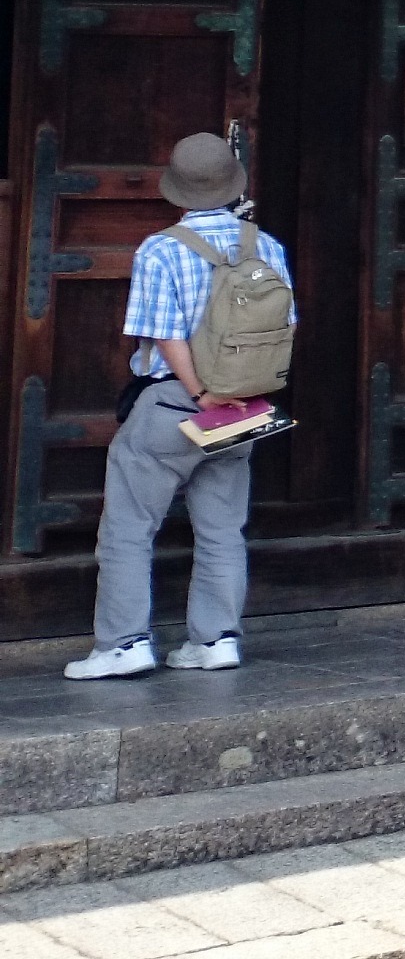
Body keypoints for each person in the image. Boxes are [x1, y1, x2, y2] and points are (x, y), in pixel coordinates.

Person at [68, 135, 292, 679]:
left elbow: (166, 337)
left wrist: (199, 393)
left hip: (176, 401)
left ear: (178, 189)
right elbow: (284, 328)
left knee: (128, 524)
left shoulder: (162, 249)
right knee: (221, 528)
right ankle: (215, 639)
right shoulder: (267, 247)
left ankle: (124, 644)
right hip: (245, 406)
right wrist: (232, 392)